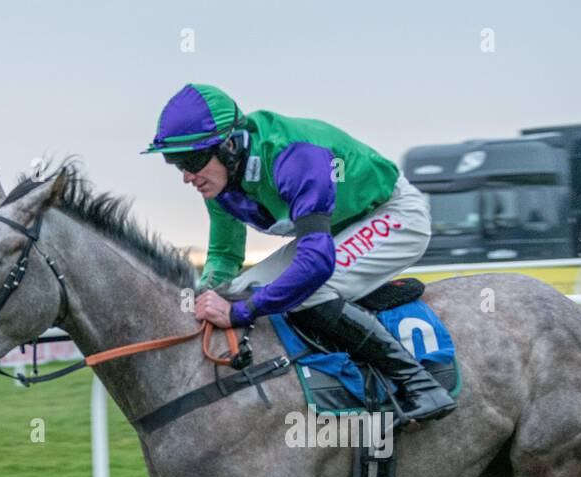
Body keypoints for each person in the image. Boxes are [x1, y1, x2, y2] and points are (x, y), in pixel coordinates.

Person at [143, 83, 455, 422]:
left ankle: (420, 385)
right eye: (176, 163)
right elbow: (225, 257)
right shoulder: (218, 185)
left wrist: (240, 313)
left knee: (306, 290)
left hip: (393, 215)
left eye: (193, 160)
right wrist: (205, 296)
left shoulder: (295, 158)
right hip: (335, 229)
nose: (187, 176)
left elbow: (316, 263)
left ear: (230, 145)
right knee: (240, 289)